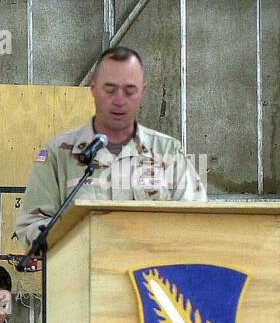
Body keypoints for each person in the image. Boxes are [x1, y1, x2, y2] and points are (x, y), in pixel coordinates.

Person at [15, 46, 205, 246]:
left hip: (151, 275)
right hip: (82, 273)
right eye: (110, 89)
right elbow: (30, 226)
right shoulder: (59, 153)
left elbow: (197, 223)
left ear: (143, 91)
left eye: (130, 90)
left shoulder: (168, 151)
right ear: (93, 88)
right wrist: (77, 238)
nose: (119, 100)